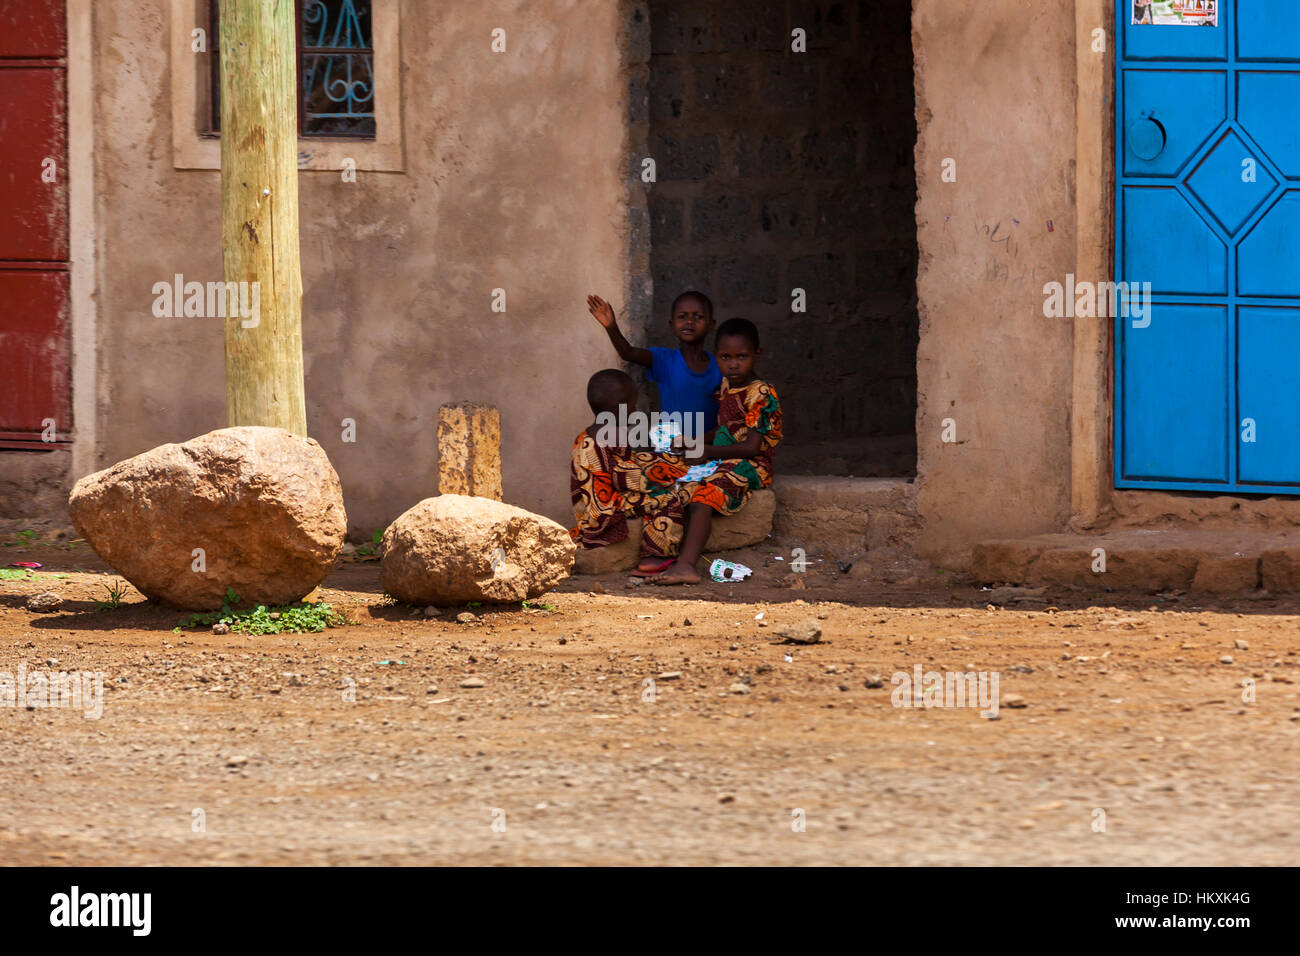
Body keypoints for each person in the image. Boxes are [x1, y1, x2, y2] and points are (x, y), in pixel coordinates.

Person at [654, 318, 782, 585]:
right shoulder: (726, 385)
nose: (733, 364)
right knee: (665, 473)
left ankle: (686, 566)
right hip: (724, 455)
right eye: (725, 357)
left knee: (702, 498)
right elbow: (725, 428)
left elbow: (751, 447)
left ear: (757, 355)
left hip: (751, 465)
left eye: (741, 356)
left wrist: (706, 450)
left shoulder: (761, 393)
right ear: (716, 357)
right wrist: (695, 443)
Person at [569, 369, 691, 575]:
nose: (636, 409)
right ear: (621, 408)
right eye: (633, 405)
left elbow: (622, 467)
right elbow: (625, 477)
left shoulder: (588, 436)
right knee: (668, 500)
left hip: (592, 503)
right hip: (604, 512)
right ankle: (656, 555)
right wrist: (659, 482)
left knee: (649, 459)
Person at [587, 291, 723, 432]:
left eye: (698, 317)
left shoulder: (720, 367)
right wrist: (611, 327)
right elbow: (628, 352)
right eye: (682, 317)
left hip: (707, 448)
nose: (689, 321)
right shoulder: (664, 359)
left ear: (711, 325)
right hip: (670, 448)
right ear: (672, 325)